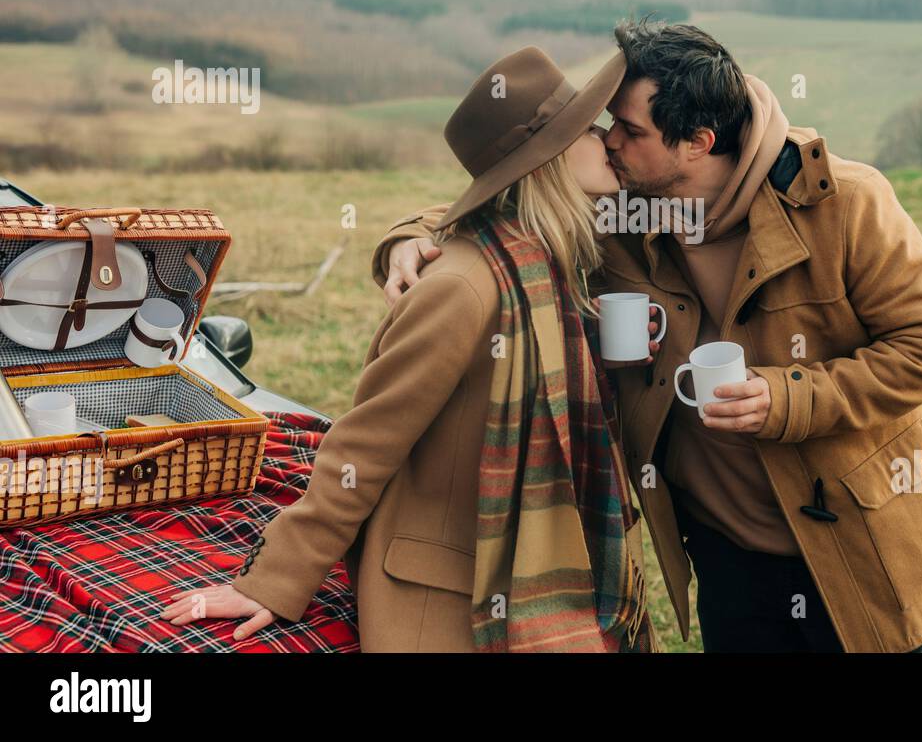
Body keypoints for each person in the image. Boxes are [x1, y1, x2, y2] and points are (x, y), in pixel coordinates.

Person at [375, 19, 922, 653]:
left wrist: (788, 397)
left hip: (859, 552)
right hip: (723, 557)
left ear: (697, 142)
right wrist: (411, 237)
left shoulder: (848, 203)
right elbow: (514, 196)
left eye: (630, 132)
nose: (608, 145)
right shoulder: (629, 205)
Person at [161, 46, 656, 652]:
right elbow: (367, 442)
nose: (606, 137)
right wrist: (275, 581)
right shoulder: (461, 289)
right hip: (449, 595)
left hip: (530, 568)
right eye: (586, 127)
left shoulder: (549, 264)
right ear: (546, 162)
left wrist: (592, 336)